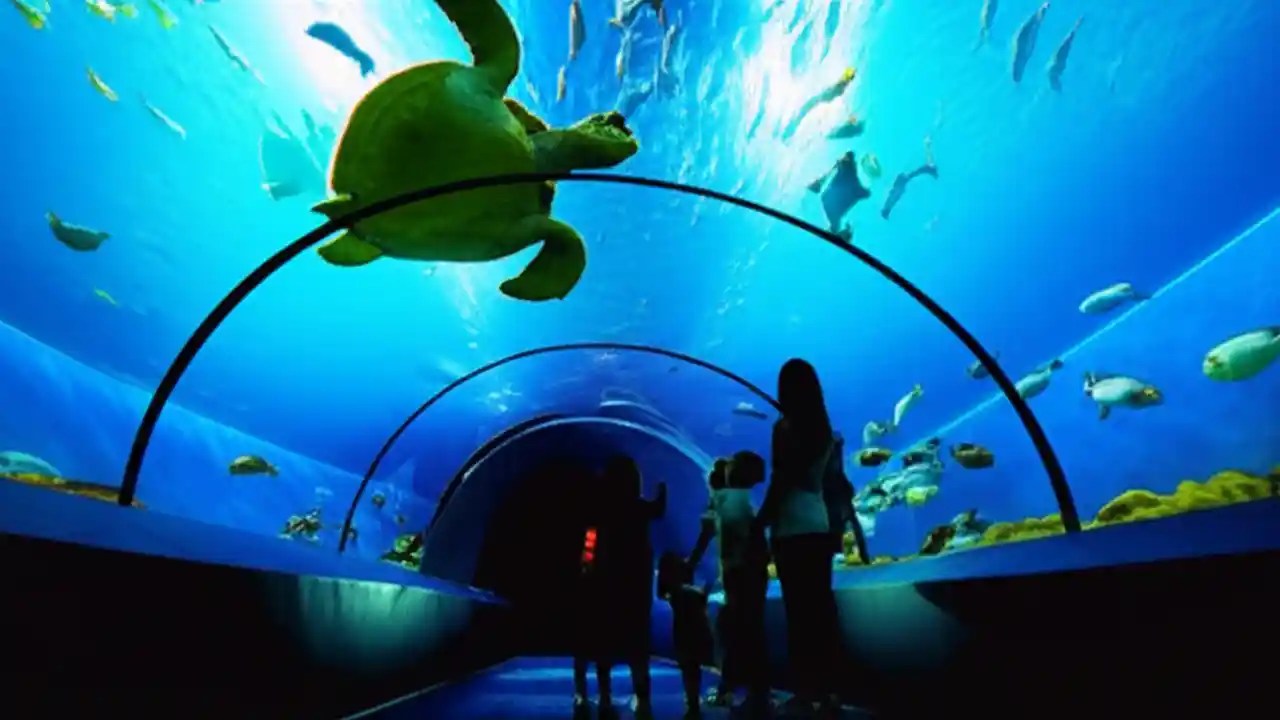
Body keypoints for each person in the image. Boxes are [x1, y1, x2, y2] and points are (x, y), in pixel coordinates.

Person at [756, 359, 844, 716]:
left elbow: (780, 480)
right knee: (822, 610)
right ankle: (831, 690)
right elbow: (830, 484)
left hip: (791, 528)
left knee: (799, 614)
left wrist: (758, 522)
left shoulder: (784, 428)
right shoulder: (825, 429)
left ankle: (806, 691)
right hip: (818, 523)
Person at [599, 455, 667, 720]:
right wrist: (662, 489)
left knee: (604, 638)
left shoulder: (603, 509)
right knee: (638, 641)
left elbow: (591, 540)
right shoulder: (640, 507)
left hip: (609, 580)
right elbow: (659, 509)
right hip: (637, 582)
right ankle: (643, 698)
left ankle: (605, 697)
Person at [713, 450, 772, 716]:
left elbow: (738, 536)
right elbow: (753, 536)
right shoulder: (741, 500)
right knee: (750, 630)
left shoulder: (731, 500)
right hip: (749, 574)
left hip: (740, 575)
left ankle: (752, 690)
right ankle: (755, 690)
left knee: (742, 632)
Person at [657, 551, 714, 719]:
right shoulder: (690, 593)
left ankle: (692, 703)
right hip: (695, 631)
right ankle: (694, 703)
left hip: (682, 633)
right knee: (693, 667)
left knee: (688, 668)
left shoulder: (675, 594)